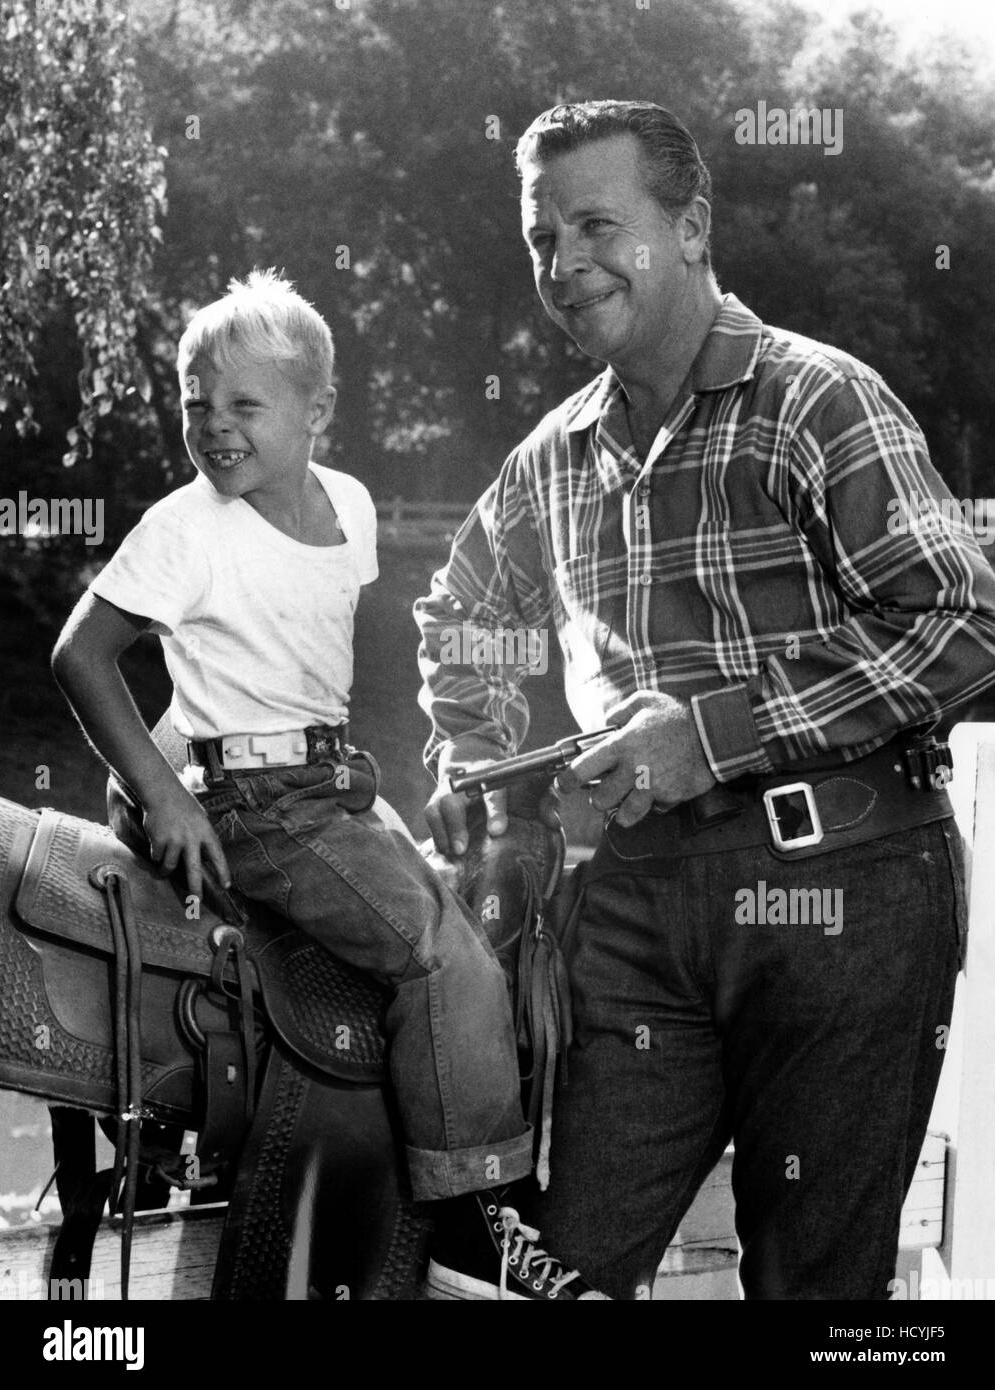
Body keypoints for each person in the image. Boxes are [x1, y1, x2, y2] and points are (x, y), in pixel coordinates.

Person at [416, 100, 995, 1300]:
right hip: (631, 910)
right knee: (558, 1267)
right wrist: (502, 789)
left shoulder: (818, 400)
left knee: (818, 1291)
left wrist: (716, 736)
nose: (565, 267)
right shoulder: (553, 456)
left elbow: (964, 624)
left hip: (848, 892)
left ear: (689, 227)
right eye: (541, 241)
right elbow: (455, 623)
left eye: (595, 226)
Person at [50, 268, 608, 1301]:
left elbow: (263, 655)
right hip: (257, 803)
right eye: (194, 402)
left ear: (317, 411)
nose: (213, 426)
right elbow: (82, 654)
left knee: (453, 901)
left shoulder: (349, 508)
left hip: (327, 780)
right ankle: (474, 1215)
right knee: (445, 959)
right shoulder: (186, 526)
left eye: (243, 405)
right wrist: (168, 791)